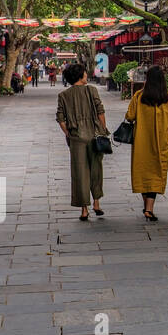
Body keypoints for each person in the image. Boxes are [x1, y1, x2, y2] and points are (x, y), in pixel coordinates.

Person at [55, 63, 109, 221]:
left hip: (76, 138)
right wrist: (102, 130)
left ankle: (84, 209)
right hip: (93, 135)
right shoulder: (92, 90)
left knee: (80, 172)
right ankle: (97, 203)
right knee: (96, 169)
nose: (87, 75)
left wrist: (68, 134)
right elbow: (100, 112)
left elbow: (60, 119)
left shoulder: (64, 95)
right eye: (85, 73)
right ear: (80, 75)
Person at [126, 65, 168, 222]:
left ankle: (147, 207)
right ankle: (149, 209)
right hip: (161, 143)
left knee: (143, 174)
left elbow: (129, 116)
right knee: (156, 173)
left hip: (142, 143)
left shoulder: (139, 97)